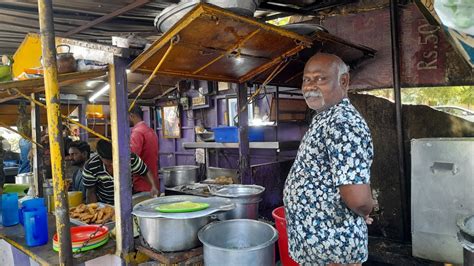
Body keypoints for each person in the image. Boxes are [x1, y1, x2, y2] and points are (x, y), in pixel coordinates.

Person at [283, 53, 375, 266]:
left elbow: (359, 200)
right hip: (319, 248)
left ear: (343, 81)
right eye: (306, 79)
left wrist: (367, 209)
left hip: (334, 252)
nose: (310, 86)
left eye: (320, 78)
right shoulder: (326, 116)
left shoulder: (344, 124)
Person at [82, 139, 158, 205]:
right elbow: (91, 192)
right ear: (100, 157)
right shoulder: (90, 166)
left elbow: (145, 171)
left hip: (127, 201)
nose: (113, 164)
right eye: (109, 161)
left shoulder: (130, 158)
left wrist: (153, 186)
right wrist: (94, 211)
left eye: (115, 160)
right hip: (105, 203)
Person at [129, 105, 159, 194]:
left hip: (141, 183)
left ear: (131, 116)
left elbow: (132, 158)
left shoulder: (137, 133)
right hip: (152, 182)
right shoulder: (150, 130)